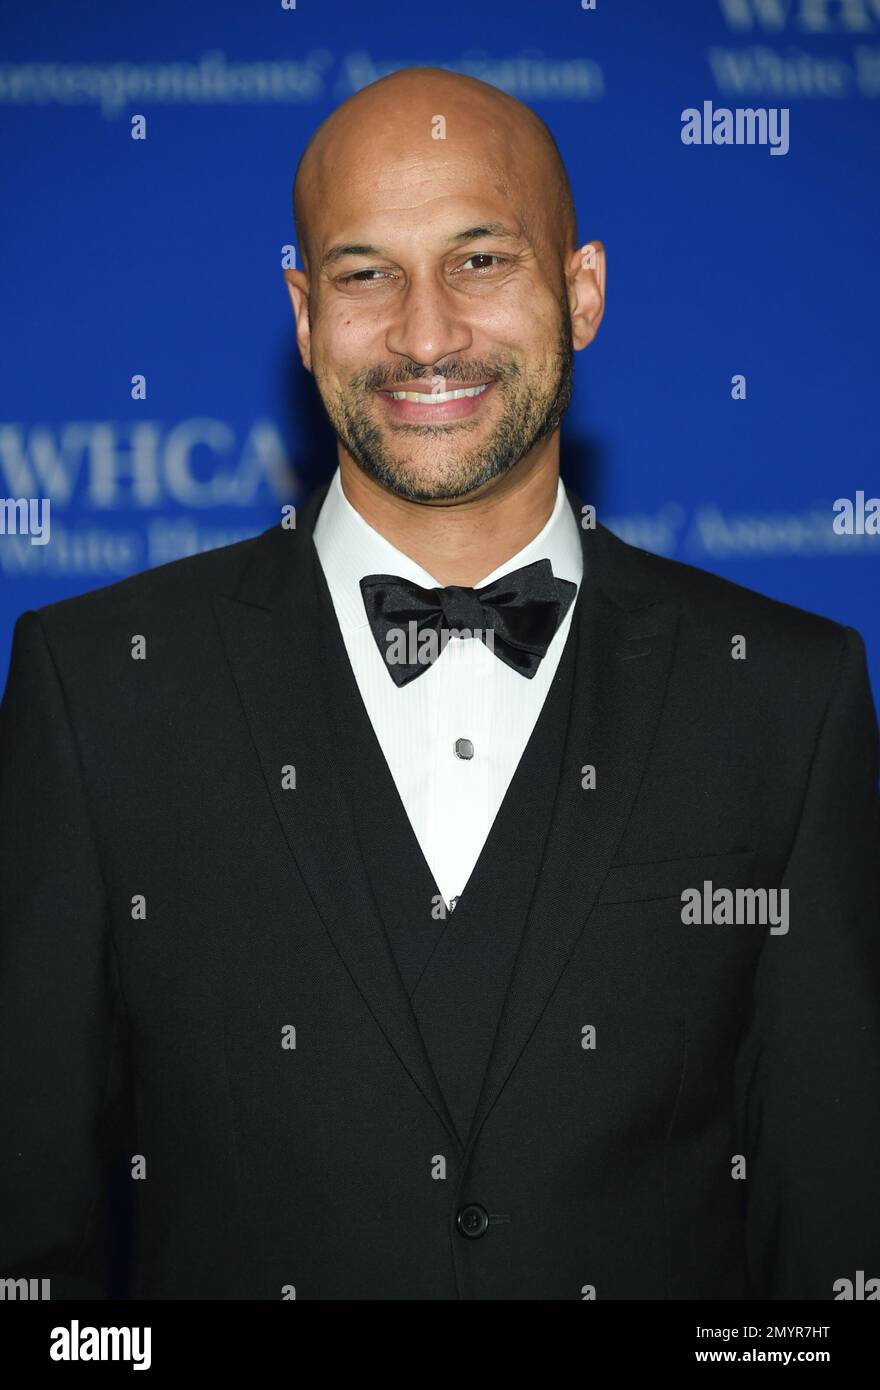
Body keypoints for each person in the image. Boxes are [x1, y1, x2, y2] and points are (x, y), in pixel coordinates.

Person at [1, 65, 878, 1301]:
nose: (424, 334)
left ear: (581, 292)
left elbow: (832, 1226)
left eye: (479, 260)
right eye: (365, 274)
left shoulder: (787, 697)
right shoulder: (97, 688)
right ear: (304, 317)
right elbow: (28, 1243)